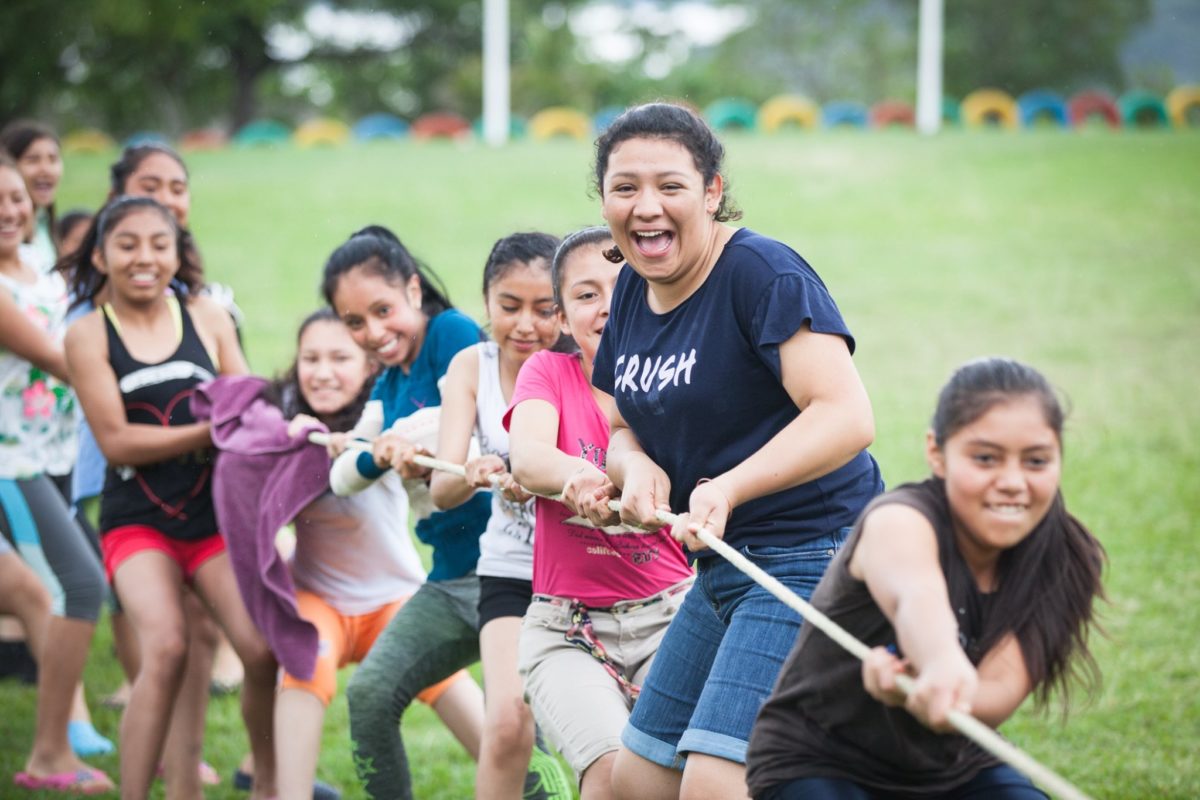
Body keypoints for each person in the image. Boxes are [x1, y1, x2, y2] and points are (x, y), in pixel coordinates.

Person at [579, 102, 884, 800]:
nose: (646, 207)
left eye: (670, 185)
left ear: (712, 192)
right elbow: (620, 424)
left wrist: (728, 487)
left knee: (713, 785)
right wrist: (636, 469)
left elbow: (846, 415)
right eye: (624, 187)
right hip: (719, 568)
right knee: (638, 782)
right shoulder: (630, 289)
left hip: (816, 555)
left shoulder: (762, 274)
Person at [746, 357, 1107, 799]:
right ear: (937, 452)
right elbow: (916, 594)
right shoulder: (899, 519)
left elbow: (996, 693)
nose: (1013, 481)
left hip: (953, 764)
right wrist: (940, 661)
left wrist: (924, 690)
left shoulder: (1064, 558)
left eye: (1036, 461)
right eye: (986, 458)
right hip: (818, 758)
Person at [62, 195, 278, 800]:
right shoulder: (86, 335)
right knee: (167, 646)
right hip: (139, 523)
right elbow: (117, 441)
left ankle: (268, 783)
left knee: (261, 652)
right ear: (101, 256)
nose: (144, 258)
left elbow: (247, 401)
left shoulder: (207, 317)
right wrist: (211, 430)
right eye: (127, 245)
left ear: (177, 253)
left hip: (213, 519)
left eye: (160, 245)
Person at [505, 226, 695, 799]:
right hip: (568, 628)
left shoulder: (681, 379)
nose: (609, 305)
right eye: (586, 295)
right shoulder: (547, 372)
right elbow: (529, 457)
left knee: (685, 774)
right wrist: (578, 477)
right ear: (562, 318)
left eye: (625, 286)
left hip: (674, 618)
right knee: (614, 775)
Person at [268, 308, 482, 800]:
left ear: (368, 366)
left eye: (340, 357)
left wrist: (359, 448)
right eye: (311, 358)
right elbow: (258, 510)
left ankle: (528, 784)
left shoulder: (388, 416)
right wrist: (293, 446)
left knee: (475, 713)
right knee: (303, 667)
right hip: (320, 599)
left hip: (397, 602)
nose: (323, 371)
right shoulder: (288, 429)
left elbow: (416, 448)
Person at [322, 226, 490, 799]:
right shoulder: (389, 381)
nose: (373, 332)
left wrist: (396, 439)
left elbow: (469, 413)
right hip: (448, 580)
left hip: (514, 571)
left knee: (520, 728)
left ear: (414, 291)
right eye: (354, 322)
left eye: (382, 309)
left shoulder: (452, 332)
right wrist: (378, 450)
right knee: (369, 696)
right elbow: (343, 473)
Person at [429, 231, 574, 800]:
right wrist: (472, 471)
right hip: (512, 565)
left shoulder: (581, 362)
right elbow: (441, 487)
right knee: (508, 722)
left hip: (584, 569)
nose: (525, 325)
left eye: (544, 309)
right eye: (508, 307)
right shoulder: (472, 365)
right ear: (485, 301)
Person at [0, 153, 114, 794]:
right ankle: (49, 753)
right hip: (9, 464)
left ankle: (62, 737)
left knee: (57, 590)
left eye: (15, 197)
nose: (9, 211)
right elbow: (58, 355)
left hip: (52, 458)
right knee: (79, 586)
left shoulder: (41, 270)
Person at [0, 120, 62, 274]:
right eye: (33, 160)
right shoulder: (7, 233)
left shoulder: (44, 224)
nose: (46, 169)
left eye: (53, 159)